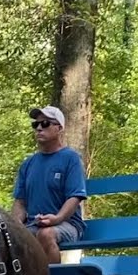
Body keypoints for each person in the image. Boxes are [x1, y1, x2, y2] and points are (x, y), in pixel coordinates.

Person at [11, 105, 87, 263]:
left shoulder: (70, 159)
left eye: (45, 123)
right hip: (32, 225)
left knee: (45, 234)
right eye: (35, 124)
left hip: (67, 224)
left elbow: (75, 197)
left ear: (59, 128)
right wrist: (16, 225)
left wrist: (57, 218)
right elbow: (20, 202)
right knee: (4, 240)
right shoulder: (28, 164)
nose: (39, 128)